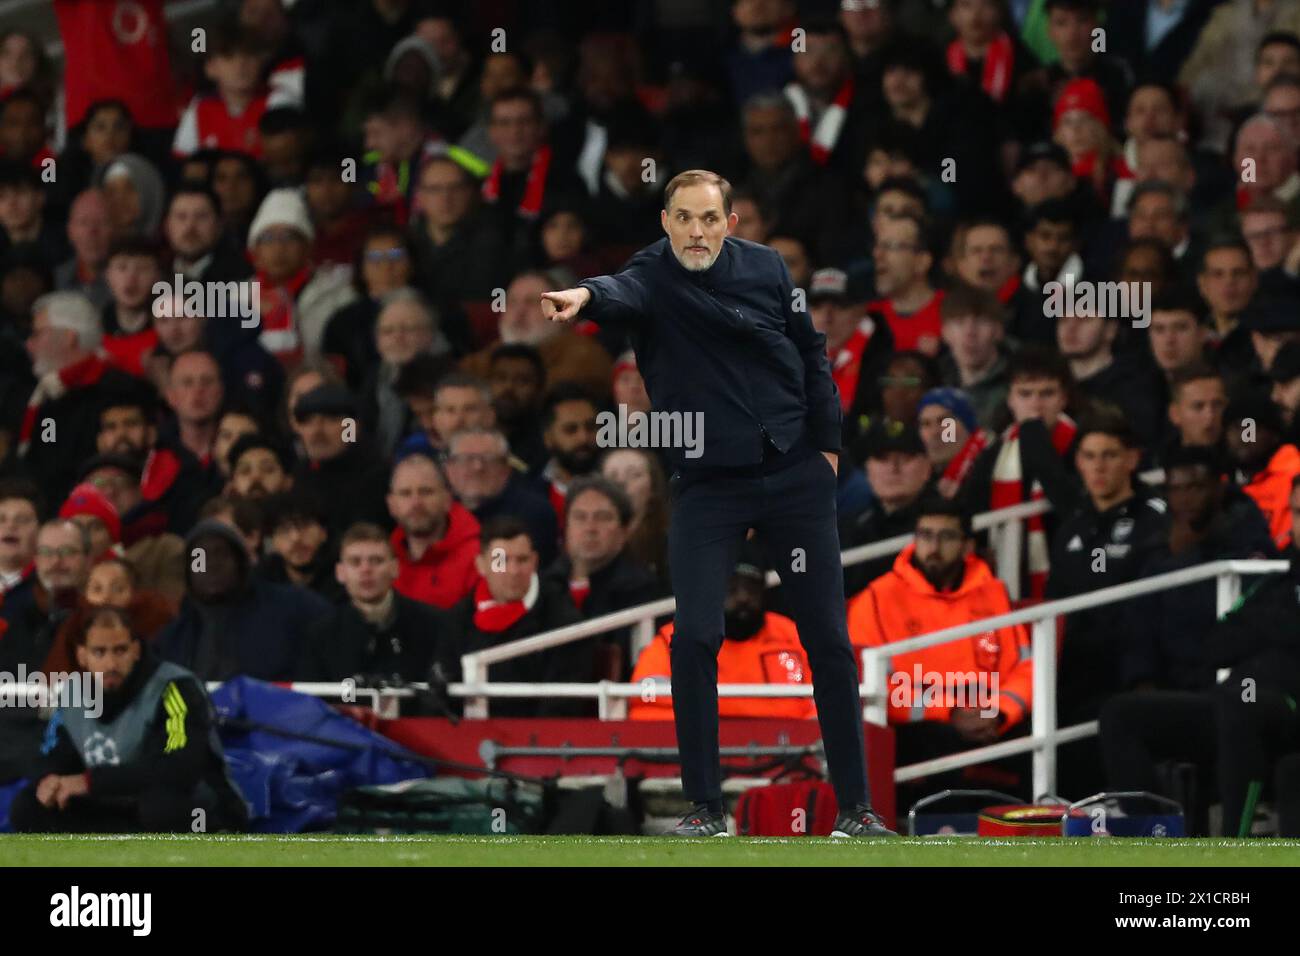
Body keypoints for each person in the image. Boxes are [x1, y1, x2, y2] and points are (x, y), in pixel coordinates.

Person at [540, 168, 892, 837]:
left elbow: (812, 354)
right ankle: (706, 809)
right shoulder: (650, 275)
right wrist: (582, 297)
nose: (696, 232)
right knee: (695, 634)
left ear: (731, 224)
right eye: (683, 218)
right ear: (665, 222)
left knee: (829, 640)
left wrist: (828, 450)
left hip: (795, 474)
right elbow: (616, 290)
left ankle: (857, 810)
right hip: (708, 486)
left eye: (709, 219)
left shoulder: (768, 268)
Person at [847, 497, 1033, 807]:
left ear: (967, 546)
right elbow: (870, 684)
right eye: (925, 535)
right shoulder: (876, 599)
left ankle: (1032, 835)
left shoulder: (993, 592)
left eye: (946, 536)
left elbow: (1024, 667)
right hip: (916, 724)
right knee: (941, 741)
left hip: (988, 715)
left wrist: (999, 713)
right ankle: (941, 837)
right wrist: (949, 712)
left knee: (1036, 736)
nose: (933, 546)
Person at [9, 605, 248, 833]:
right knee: (28, 806)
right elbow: (50, 753)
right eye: (99, 652)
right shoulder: (72, 694)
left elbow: (178, 768)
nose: (111, 664)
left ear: (136, 650)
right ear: (82, 656)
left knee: (163, 807)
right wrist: (48, 779)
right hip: (114, 803)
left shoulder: (174, 687)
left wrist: (91, 782)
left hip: (193, 803)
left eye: (120, 650)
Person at [629, 550, 815, 721]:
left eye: (751, 588)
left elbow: (825, 698)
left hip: (787, 749)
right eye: (731, 587)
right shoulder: (677, 638)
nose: (743, 597)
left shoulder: (791, 635)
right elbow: (644, 694)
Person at [437, 516, 590, 718]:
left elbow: (561, 706)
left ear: (535, 561)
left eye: (522, 560)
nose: (514, 571)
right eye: (501, 561)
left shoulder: (563, 622)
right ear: (481, 565)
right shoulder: (459, 618)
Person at [297, 522, 449, 684]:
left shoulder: (432, 624)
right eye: (355, 562)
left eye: (376, 561)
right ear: (340, 572)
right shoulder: (321, 635)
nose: (366, 570)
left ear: (395, 568)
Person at [385, 452, 481, 610]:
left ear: (447, 499)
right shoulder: (382, 561)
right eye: (405, 494)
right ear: (391, 505)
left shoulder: (481, 556)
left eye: (426, 492)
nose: (416, 503)